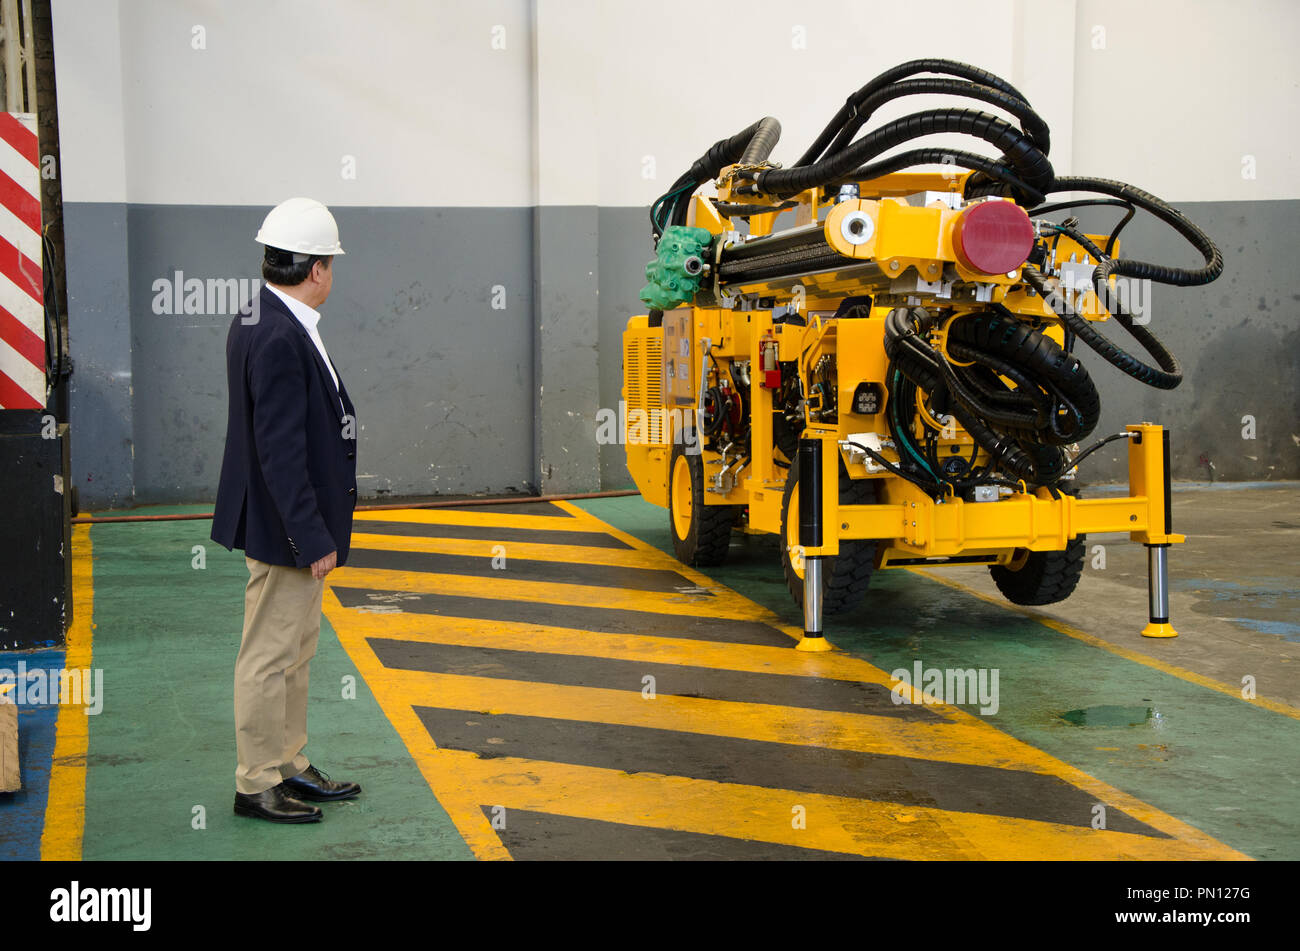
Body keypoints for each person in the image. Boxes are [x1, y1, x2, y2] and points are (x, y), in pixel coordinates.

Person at [211, 197, 361, 823]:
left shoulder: (263, 314)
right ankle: (254, 783)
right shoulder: (277, 333)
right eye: (329, 263)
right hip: (287, 529)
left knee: (295, 650)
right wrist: (309, 534)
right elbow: (279, 451)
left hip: (289, 524)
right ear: (317, 269)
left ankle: (288, 764)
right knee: (269, 656)